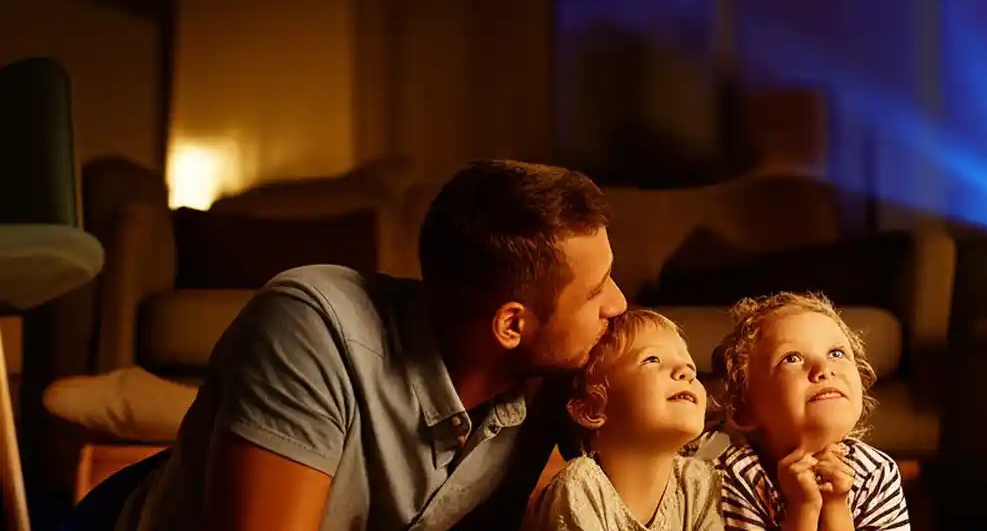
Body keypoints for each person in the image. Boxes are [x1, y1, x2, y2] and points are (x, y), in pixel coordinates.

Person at [115, 160, 628, 530]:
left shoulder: (553, 376)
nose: (619, 303)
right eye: (596, 289)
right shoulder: (312, 327)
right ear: (511, 326)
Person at [714, 292, 909, 531]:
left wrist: (836, 506)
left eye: (836, 354)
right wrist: (803, 508)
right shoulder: (733, 476)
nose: (823, 368)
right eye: (791, 358)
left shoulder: (877, 472)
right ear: (743, 409)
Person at [524, 309, 723, 531]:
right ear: (590, 409)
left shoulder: (700, 484)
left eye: (690, 365)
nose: (685, 372)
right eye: (652, 359)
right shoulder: (578, 489)